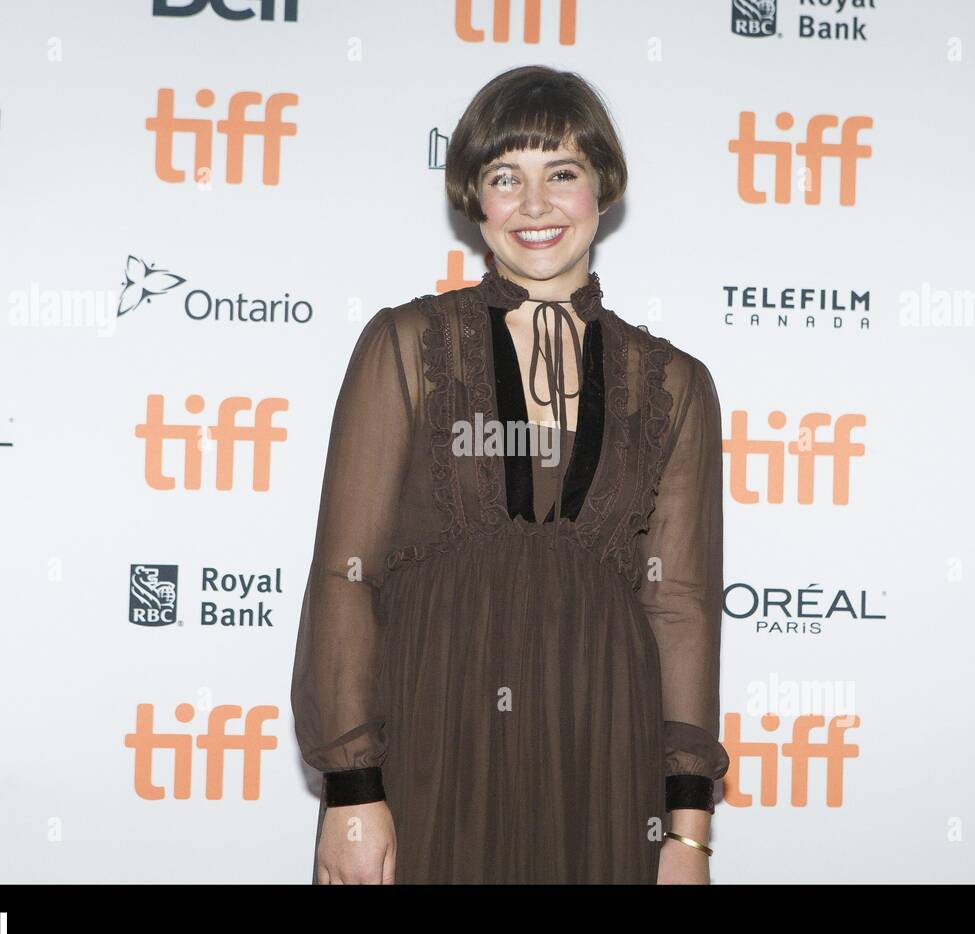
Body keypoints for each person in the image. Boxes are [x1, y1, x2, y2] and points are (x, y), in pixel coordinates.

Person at [291, 65, 729, 884]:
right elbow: (346, 575)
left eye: (561, 173)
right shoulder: (406, 345)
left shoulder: (673, 382)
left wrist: (687, 833)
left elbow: (681, 608)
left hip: (601, 755)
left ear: (603, 188)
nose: (535, 206)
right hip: (431, 741)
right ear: (475, 199)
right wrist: (352, 789)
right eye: (506, 177)